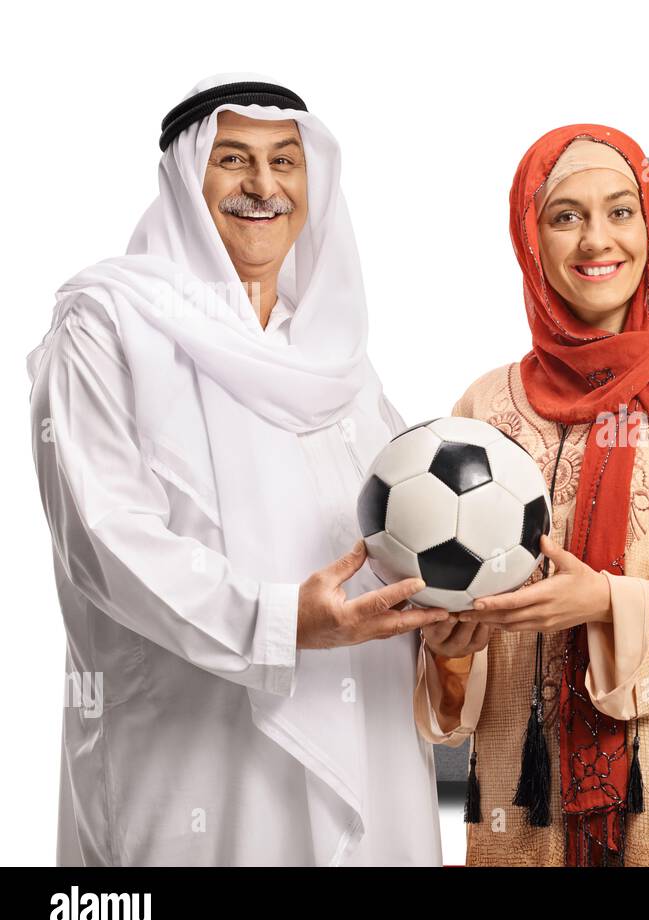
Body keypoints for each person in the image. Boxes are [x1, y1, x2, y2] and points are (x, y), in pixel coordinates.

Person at [26, 74, 459, 866]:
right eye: (234, 159)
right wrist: (283, 622)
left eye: (285, 162)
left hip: (369, 734)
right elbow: (105, 541)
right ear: (187, 178)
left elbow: (387, 535)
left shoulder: (339, 361)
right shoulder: (107, 326)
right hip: (195, 757)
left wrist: (449, 622)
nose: (263, 186)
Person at [415, 125, 649, 866]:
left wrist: (609, 604)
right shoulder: (484, 405)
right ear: (530, 239)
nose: (598, 240)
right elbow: (451, 612)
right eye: (566, 216)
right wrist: (450, 652)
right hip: (521, 807)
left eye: (620, 212)